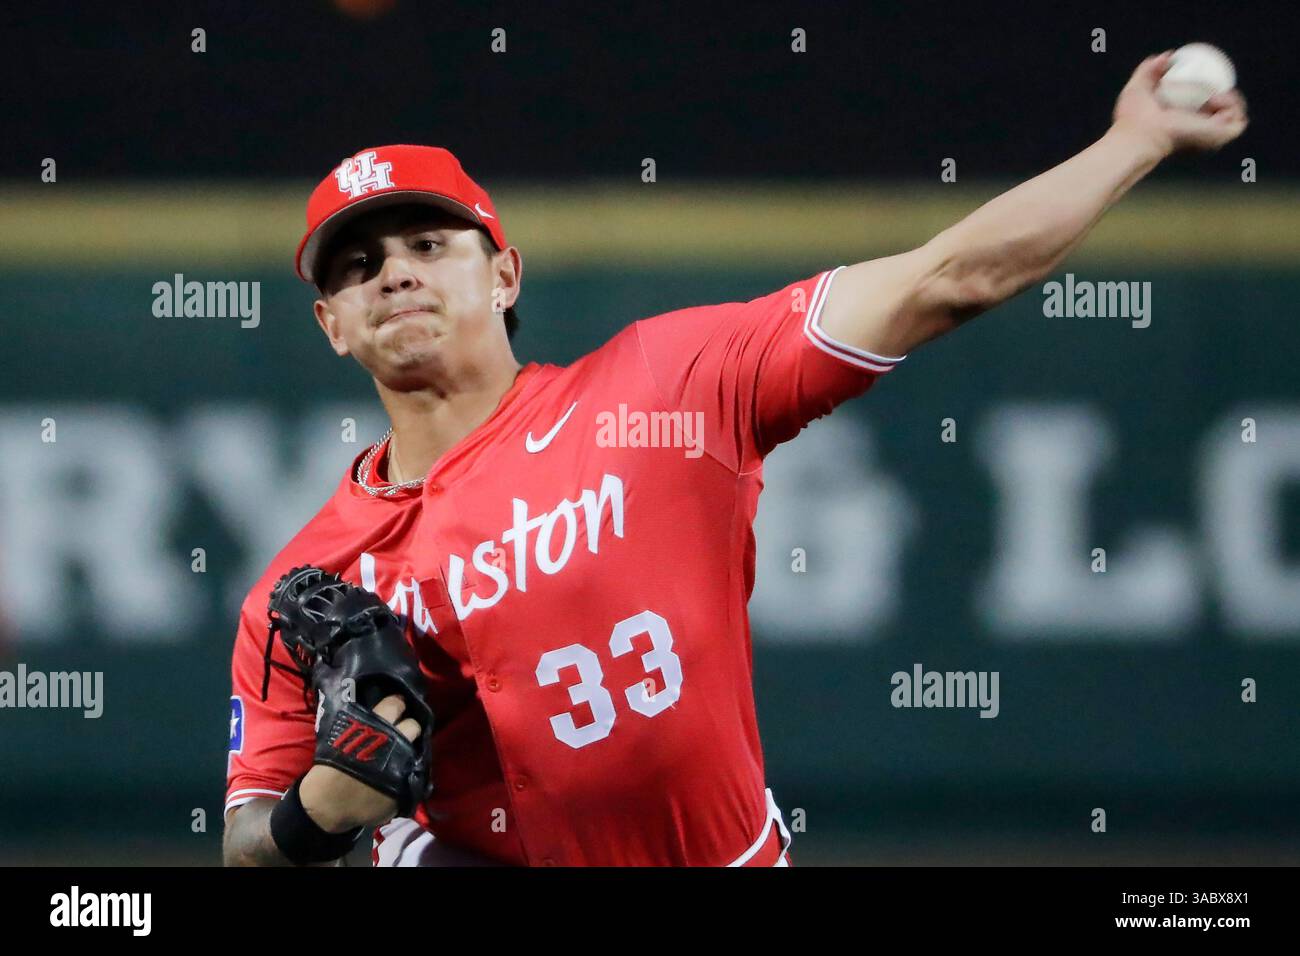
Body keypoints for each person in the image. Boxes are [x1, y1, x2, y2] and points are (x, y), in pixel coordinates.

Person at [222, 52, 1247, 866]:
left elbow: (950, 276)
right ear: (332, 326)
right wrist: (318, 816)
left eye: (427, 244)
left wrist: (1132, 141)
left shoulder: (665, 388)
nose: (393, 273)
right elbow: (246, 840)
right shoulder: (299, 589)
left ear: (503, 275)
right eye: (358, 268)